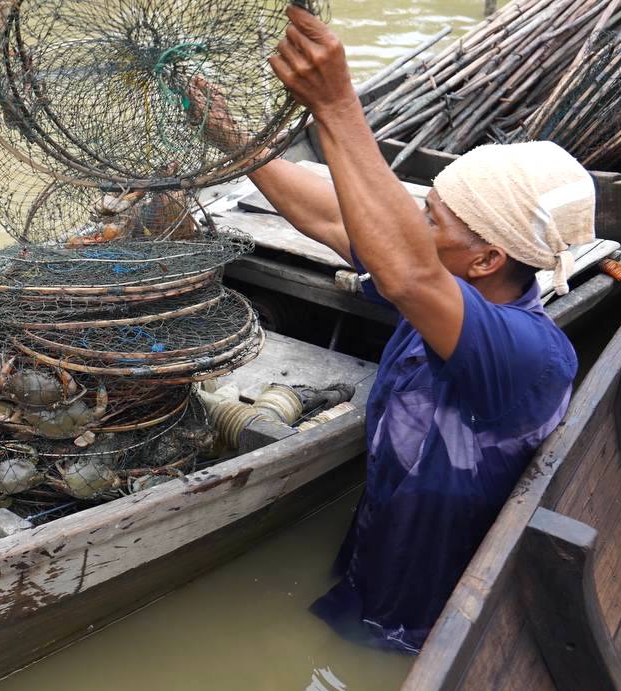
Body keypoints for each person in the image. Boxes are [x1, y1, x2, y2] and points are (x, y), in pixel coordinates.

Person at [197, 8, 585, 651]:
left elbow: (406, 271)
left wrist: (336, 104)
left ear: (487, 259)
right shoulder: (441, 293)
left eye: (431, 218)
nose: (412, 223)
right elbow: (328, 218)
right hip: (376, 549)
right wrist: (231, 136)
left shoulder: (528, 354)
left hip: (424, 613)